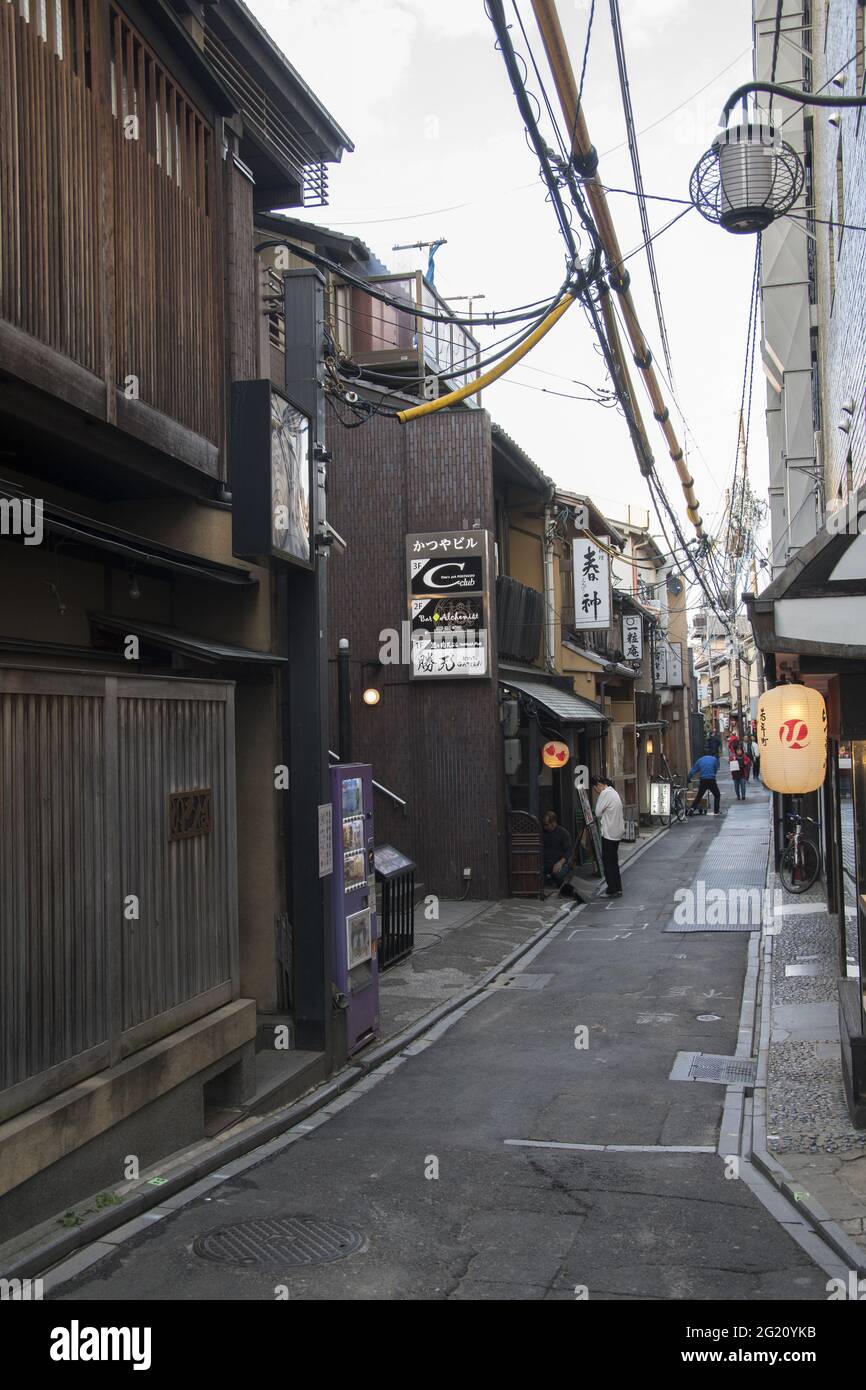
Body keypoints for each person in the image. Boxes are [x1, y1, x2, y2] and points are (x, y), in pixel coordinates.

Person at [590, 775, 624, 898]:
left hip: (610, 832)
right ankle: (618, 888)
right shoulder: (613, 791)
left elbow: (598, 812)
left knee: (608, 861)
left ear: (598, 785)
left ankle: (612, 889)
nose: (596, 792)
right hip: (617, 831)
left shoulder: (605, 793)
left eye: (595, 789)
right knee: (613, 861)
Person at [542, 811, 572, 890]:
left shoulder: (563, 833)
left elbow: (568, 851)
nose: (545, 827)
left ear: (554, 823)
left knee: (559, 875)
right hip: (546, 863)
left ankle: (557, 879)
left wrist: (560, 863)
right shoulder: (543, 833)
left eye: (547, 825)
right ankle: (550, 879)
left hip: (559, 863)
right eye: (544, 825)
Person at [687, 750, 721, 815]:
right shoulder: (714, 759)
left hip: (703, 780)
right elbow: (715, 769)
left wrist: (689, 778)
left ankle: (692, 809)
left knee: (699, 795)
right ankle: (716, 811)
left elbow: (693, 770)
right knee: (717, 795)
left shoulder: (700, 760)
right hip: (711, 779)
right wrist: (713, 775)